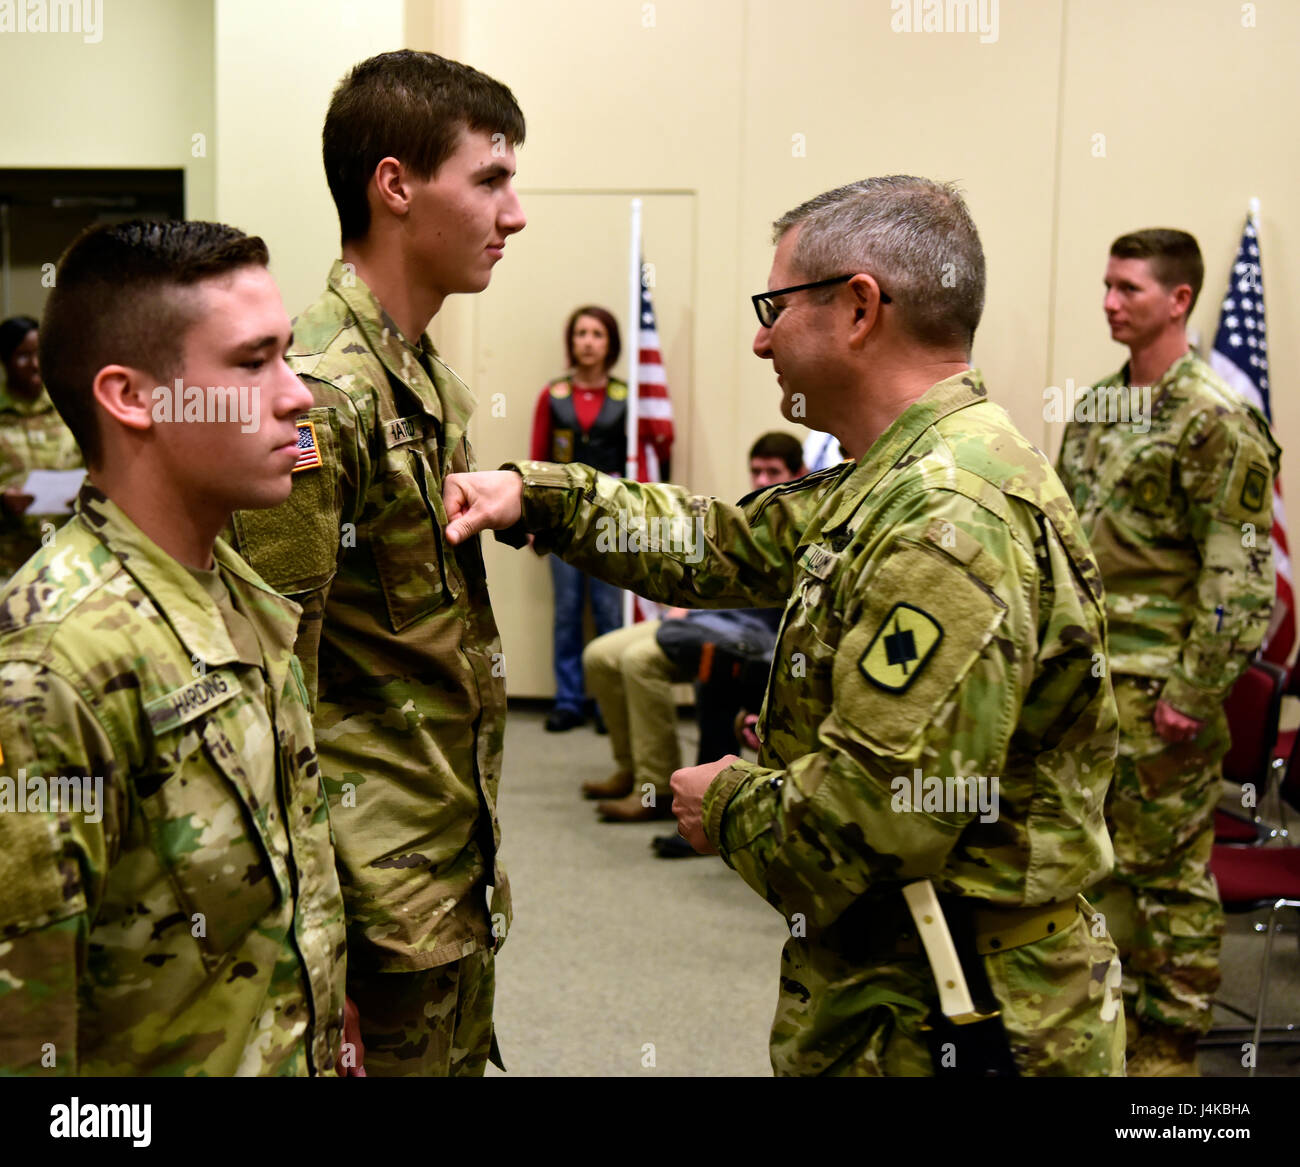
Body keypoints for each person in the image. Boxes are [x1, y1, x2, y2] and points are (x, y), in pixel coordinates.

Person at [443, 176, 1126, 1077]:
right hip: (915, 982)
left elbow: (874, 818)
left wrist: (721, 801)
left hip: (957, 1012)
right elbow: (718, 543)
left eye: (775, 305)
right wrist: (539, 495)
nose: (760, 335)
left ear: (857, 307)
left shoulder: (948, 519)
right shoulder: (905, 474)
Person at [230, 50, 525, 1077]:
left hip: (437, 883)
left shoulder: (423, 376)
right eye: (489, 180)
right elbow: (269, 699)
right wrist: (314, 956)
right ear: (394, 185)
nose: (515, 212)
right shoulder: (321, 392)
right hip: (368, 910)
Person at [0, 219, 348, 1075]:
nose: (298, 395)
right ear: (132, 397)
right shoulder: (53, 674)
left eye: (288, 355)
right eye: (250, 362)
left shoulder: (235, 588)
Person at [1056, 228, 1281, 1076]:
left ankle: (1170, 1049)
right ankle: (1107, 1025)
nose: (1110, 302)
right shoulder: (1100, 408)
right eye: (1107, 285)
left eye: (1130, 289)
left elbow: (1240, 574)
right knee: (1097, 868)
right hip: (1089, 693)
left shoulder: (1217, 418)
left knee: (1169, 882)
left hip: (1162, 703)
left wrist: (1193, 691)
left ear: (1179, 300)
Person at [582, 432, 804, 824]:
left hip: (749, 637)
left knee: (639, 661)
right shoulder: (750, 511)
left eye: (773, 471)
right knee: (599, 655)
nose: (761, 479)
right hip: (700, 620)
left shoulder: (801, 521)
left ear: (798, 473)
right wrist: (684, 603)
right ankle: (630, 768)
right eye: (756, 470)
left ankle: (656, 787)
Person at [530, 306, 627, 732]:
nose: (588, 341)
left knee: (608, 611)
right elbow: (536, 459)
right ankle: (569, 700)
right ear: (571, 342)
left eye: (597, 334)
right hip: (562, 520)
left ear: (611, 344)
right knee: (568, 611)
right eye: (581, 333)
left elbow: (646, 454)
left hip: (611, 522)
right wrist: (533, 519)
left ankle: (610, 703)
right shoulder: (553, 396)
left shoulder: (629, 398)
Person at [0, 315, 83, 583]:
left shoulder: (69, 408)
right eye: (23, 357)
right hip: (9, 560)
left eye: (39, 355)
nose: (35, 365)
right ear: (5, 361)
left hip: (68, 555)